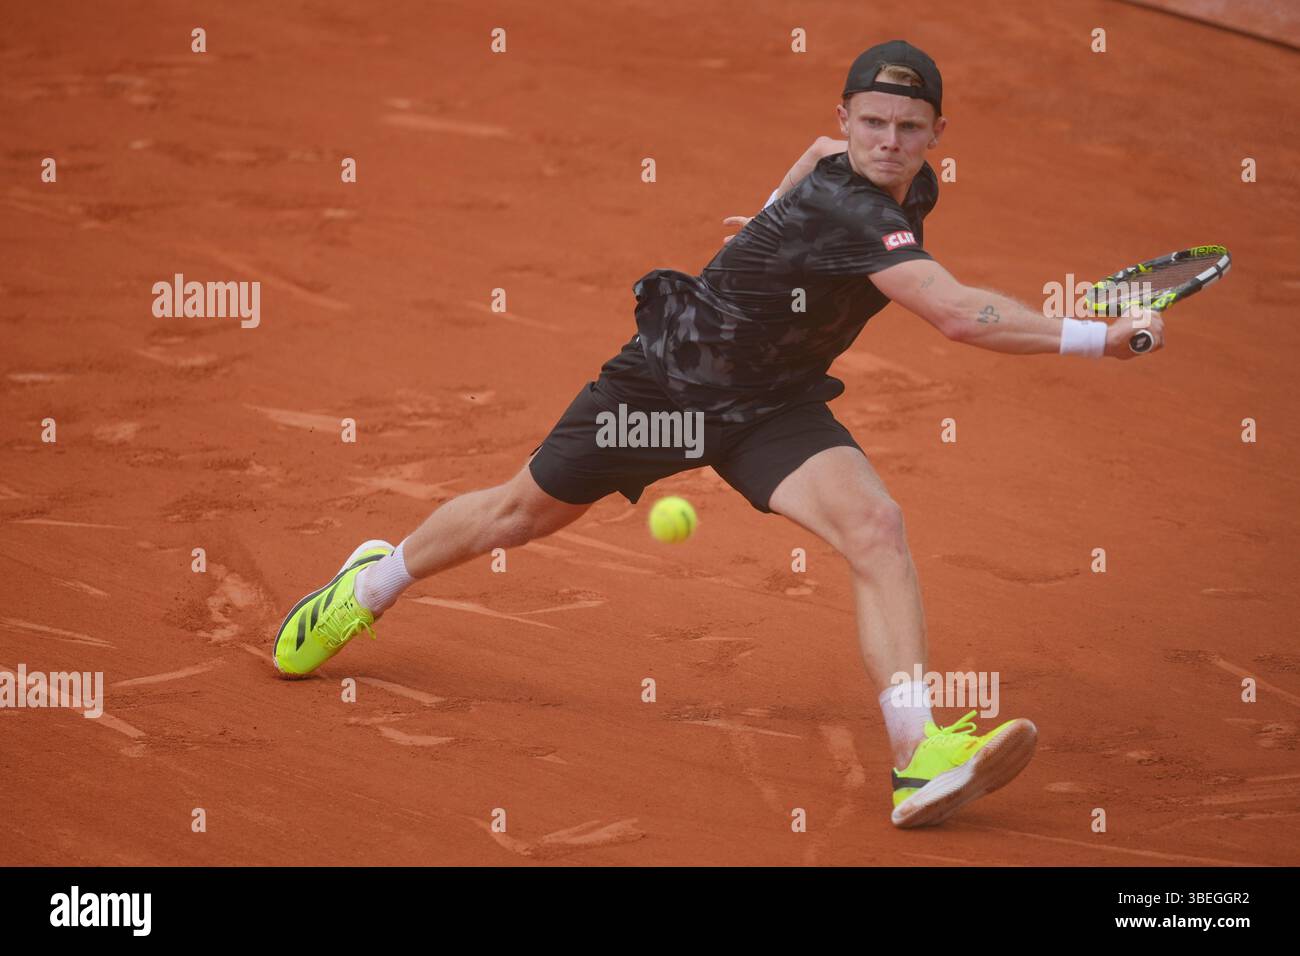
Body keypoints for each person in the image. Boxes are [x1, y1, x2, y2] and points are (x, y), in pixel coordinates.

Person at [271, 40, 1161, 828]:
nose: (888, 142)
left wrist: (764, 213)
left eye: (910, 126)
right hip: (667, 383)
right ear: (847, 117)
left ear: (936, 134)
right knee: (520, 516)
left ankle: (916, 755)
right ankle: (370, 584)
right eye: (873, 123)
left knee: (876, 528)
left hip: (772, 403)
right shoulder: (853, 208)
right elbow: (960, 317)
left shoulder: (884, 175)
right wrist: (1094, 338)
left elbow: (815, 158)